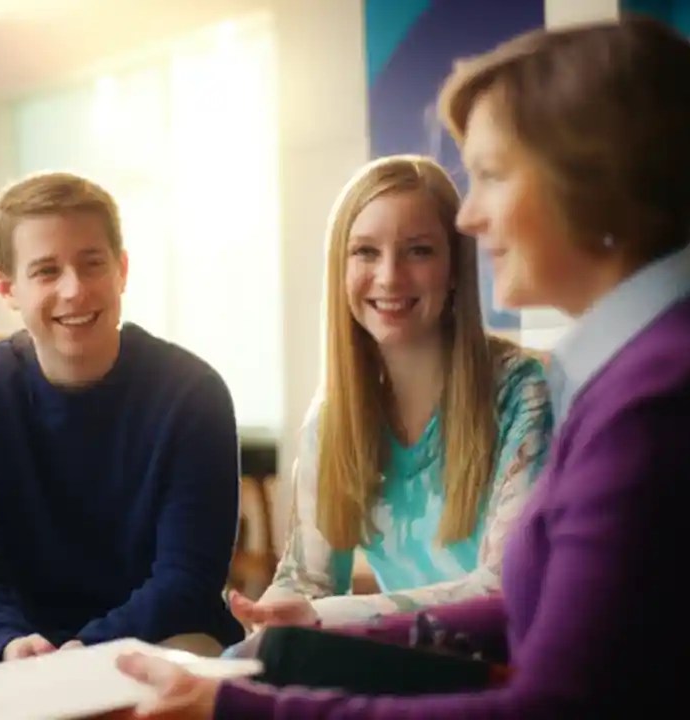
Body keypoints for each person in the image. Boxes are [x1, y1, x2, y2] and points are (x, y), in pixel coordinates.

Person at [117, 14, 690, 717]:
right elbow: (533, 612)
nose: (471, 219)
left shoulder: (667, 398)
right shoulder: (651, 369)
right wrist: (312, 632)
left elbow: (554, 705)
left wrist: (244, 710)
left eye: (490, 176)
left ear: (592, 177)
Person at [0, 171, 244, 678]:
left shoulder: (193, 393)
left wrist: (85, 649)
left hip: (157, 634)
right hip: (18, 641)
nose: (74, 290)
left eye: (92, 263)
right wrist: (8, 642)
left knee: (194, 665)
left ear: (122, 270)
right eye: (47, 271)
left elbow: (187, 580)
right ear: (7, 287)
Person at [225, 155, 552, 658]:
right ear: (341, 270)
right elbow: (305, 579)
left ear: (455, 269)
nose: (389, 276)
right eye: (365, 252)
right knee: (241, 663)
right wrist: (271, 617)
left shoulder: (521, 393)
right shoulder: (334, 417)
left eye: (418, 251)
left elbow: (503, 590)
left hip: (502, 666)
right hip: (397, 659)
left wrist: (322, 616)